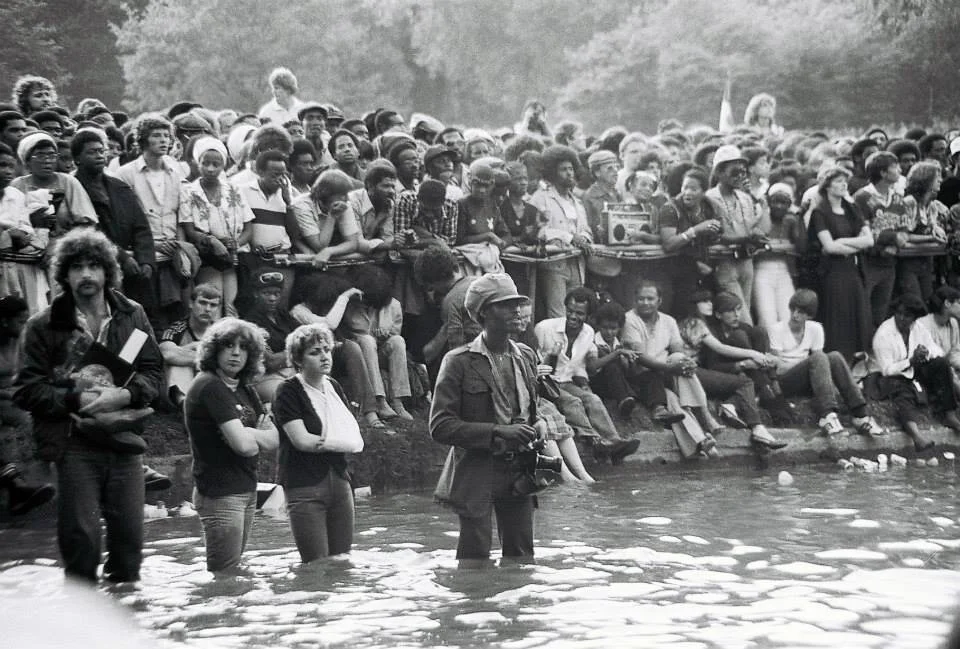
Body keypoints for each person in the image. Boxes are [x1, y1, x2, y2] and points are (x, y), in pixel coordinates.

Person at [14, 229, 162, 583]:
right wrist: (75, 398)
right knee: (81, 546)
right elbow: (26, 390)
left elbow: (154, 371)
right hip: (72, 442)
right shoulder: (42, 324)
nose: (85, 275)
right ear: (63, 274)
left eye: (93, 265)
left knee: (130, 548)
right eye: (77, 267)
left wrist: (125, 395)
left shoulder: (132, 314)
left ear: (107, 271)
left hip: (124, 439)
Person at [430, 273, 545, 568]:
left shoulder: (527, 356)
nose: (518, 311)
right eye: (506, 305)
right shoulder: (458, 361)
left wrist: (539, 425)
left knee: (522, 557)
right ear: (483, 312)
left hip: (520, 469)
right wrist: (498, 431)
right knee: (474, 559)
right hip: (477, 470)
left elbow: (532, 409)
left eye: (519, 304)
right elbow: (440, 426)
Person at [623, 281, 785, 450]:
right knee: (676, 393)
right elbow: (640, 357)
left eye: (650, 298)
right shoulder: (630, 320)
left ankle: (755, 427)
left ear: (659, 301)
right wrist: (674, 367)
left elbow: (677, 350)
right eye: (641, 299)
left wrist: (685, 362)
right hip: (648, 375)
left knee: (742, 382)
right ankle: (706, 418)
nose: (645, 302)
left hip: (672, 371)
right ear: (635, 300)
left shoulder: (669, 321)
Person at [185, 317, 279, 573]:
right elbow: (245, 447)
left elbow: (273, 440)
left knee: (234, 571)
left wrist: (246, 432)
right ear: (215, 350)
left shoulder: (245, 389)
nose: (236, 353)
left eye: (243, 347)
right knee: (225, 574)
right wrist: (253, 433)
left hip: (245, 488)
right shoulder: (209, 385)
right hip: (220, 493)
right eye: (228, 345)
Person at [274, 323, 362, 563]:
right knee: (315, 565)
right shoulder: (287, 391)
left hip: (340, 481)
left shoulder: (333, 386)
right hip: (304, 486)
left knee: (343, 560)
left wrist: (339, 442)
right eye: (315, 352)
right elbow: (301, 440)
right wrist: (340, 442)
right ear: (298, 360)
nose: (324, 356)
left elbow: (349, 433)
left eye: (327, 350)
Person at [533, 288, 642, 463]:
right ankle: (596, 441)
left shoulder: (588, 333)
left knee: (593, 399)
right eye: (570, 311)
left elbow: (578, 365)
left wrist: (583, 383)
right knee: (573, 402)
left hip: (567, 381)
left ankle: (614, 442)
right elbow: (533, 362)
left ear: (589, 315)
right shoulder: (545, 328)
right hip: (545, 382)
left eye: (579, 313)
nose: (573, 317)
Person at [767, 289, 883, 436]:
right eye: (793, 309)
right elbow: (776, 367)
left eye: (801, 312)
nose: (795, 315)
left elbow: (820, 367)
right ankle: (827, 415)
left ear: (810, 315)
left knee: (834, 356)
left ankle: (861, 414)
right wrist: (808, 364)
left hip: (808, 378)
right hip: (786, 381)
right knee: (819, 357)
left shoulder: (815, 329)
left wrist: (811, 365)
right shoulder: (777, 329)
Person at [72, 128, 155, 311]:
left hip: (134, 267)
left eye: (101, 151)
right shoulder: (73, 188)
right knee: (111, 314)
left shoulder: (118, 186)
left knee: (140, 318)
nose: (99, 156)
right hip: (98, 264)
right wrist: (123, 257)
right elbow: (88, 231)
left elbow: (141, 226)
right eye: (92, 152)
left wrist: (146, 260)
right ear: (77, 158)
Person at [116, 114, 187, 328]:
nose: (164, 140)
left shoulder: (176, 172)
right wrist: (151, 246)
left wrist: (181, 248)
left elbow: (182, 215)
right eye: (157, 135)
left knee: (176, 316)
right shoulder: (125, 174)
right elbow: (125, 221)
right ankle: (138, 359)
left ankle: (169, 356)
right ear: (144, 139)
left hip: (172, 258)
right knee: (143, 317)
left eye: (167, 135)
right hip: (143, 258)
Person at [867, 295, 960, 450]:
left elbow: (935, 349)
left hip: (913, 369)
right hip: (887, 377)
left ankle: (950, 415)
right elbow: (887, 369)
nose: (902, 318)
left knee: (941, 364)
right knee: (903, 391)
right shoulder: (883, 334)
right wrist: (910, 361)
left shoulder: (917, 328)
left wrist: (925, 353)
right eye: (899, 313)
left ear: (914, 319)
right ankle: (917, 437)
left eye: (907, 316)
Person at [179, 136, 254, 316]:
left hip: (231, 257)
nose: (211, 169)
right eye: (206, 163)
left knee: (231, 306)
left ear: (224, 165)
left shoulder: (234, 189)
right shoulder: (188, 192)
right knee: (212, 302)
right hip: (207, 256)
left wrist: (236, 243)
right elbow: (189, 229)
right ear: (198, 163)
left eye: (216, 164)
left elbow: (248, 227)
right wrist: (212, 241)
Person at [810, 166, 874, 361]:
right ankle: (838, 362)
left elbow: (869, 241)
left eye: (844, 181)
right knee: (838, 317)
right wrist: (853, 245)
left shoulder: (851, 208)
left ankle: (857, 364)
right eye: (838, 181)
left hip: (852, 269)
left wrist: (843, 243)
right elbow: (828, 247)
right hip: (832, 272)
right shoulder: (820, 212)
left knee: (858, 315)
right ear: (827, 186)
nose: (843, 184)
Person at [0, 296, 56, 515]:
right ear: (4, 321)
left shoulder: (21, 340)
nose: (24, 326)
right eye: (20, 321)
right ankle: (15, 485)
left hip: (14, 398)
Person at [706, 145, 770, 326]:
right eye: (735, 172)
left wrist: (761, 205)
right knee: (742, 319)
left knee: (745, 311)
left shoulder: (745, 198)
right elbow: (721, 234)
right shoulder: (709, 198)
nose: (740, 177)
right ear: (719, 173)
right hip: (725, 264)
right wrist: (749, 238)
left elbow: (758, 228)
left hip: (746, 262)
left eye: (743, 172)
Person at [341, 266, 414, 421]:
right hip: (361, 355)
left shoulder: (393, 305)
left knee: (398, 341)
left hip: (380, 354)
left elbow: (395, 334)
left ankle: (398, 402)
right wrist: (372, 335)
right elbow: (352, 335)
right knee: (367, 340)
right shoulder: (350, 306)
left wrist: (385, 335)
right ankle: (379, 400)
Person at [529, 145, 593, 318]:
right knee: (558, 314)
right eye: (563, 169)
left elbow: (586, 229)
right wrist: (570, 238)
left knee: (577, 313)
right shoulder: (541, 197)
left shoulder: (577, 202)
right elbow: (539, 231)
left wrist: (584, 239)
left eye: (571, 169)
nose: (569, 173)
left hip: (577, 263)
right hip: (555, 263)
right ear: (552, 172)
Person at [853, 151, 909, 328]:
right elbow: (864, 233)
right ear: (883, 173)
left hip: (889, 263)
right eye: (895, 166)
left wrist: (897, 242)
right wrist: (891, 238)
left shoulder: (899, 199)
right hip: (867, 263)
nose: (899, 169)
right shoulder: (862, 197)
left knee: (881, 309)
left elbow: (904, 230)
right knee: (864, 309)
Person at [659, 167, 722, 315]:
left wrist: (715, 230)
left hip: (702, 266)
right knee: (683, 310)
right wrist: (696, 230)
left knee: (717, 304)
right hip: (676, 269)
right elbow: (669, 244)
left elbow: (719, 231)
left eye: (693, 189)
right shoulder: (670, 208)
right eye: (685, 187)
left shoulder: (709, 206)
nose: (687, 192)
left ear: (703, 191)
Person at [160, 283, 222, 398]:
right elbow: (166, 354)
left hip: (214, 381)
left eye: (213, 305)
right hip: (186, 383)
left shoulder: (222, 331)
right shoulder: (177, 329)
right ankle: (183, 403)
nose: (207, 309)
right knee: (177, 366)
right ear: (191, 303)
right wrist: (209, 355)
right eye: (202, 303)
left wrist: (187, 350)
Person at [898, 161, 948, 303]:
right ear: (924, 179)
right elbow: (903, 236)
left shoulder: (931, 206)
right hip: (908, 262)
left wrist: (938, 231)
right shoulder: (909, 203)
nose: (940, 180)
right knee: (915, 303)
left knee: (927, 301)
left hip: (926, 260)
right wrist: (931, 238)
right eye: (936, 177)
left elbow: (932, 229)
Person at [291, 169, 360, 264]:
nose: (347, 199)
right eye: (342, 195)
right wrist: (332, 216)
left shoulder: (344, 203)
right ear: (326, 194)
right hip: (303, 255)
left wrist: (329, 251)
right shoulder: (302, 205)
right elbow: (319, 246)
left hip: (329, 255)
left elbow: (353, 243)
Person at [347, 159, 397, 253]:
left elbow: (387, 236)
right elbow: (358, 243)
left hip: (370, 256)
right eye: (385, 186)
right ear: (370, 186)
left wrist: (397, 242)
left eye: (393, 186)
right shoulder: (353, 202)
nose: (392, 191)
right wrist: (390, 244)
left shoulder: (389, 203)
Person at [916, 286, 960, 372]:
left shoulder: (953, 323)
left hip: (946, 370)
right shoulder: (922, 325)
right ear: (947, 303)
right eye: (959, 303)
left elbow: (954, 354)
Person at [581, 150, 621, 243]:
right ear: (597, 173)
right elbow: (589, 229)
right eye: (610, 168)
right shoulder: (589, 197)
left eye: (616, 167)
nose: (615, 171)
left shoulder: (617, 193)